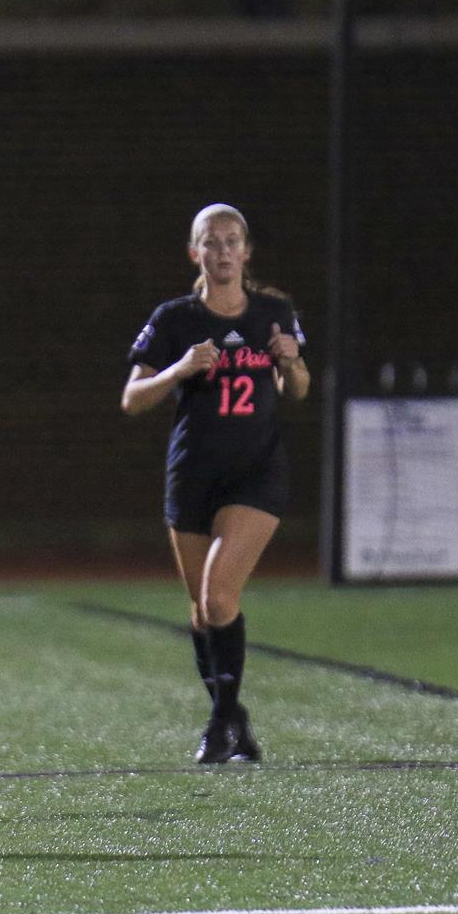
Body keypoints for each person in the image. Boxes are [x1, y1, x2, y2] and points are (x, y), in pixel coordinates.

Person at [121, 204, 310, 763]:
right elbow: (132, 399)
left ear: (246, 252)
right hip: (193, 474)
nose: (223, 251)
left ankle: (222, 722)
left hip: (255, 471)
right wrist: (178, 369)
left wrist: (293, 364)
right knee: (202, 613)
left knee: (220, 596)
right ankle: (235, 721)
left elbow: (298, 388)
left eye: (233, 242)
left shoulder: (273, 311)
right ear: (195, 252)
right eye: (212, 242)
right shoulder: (175, 318)